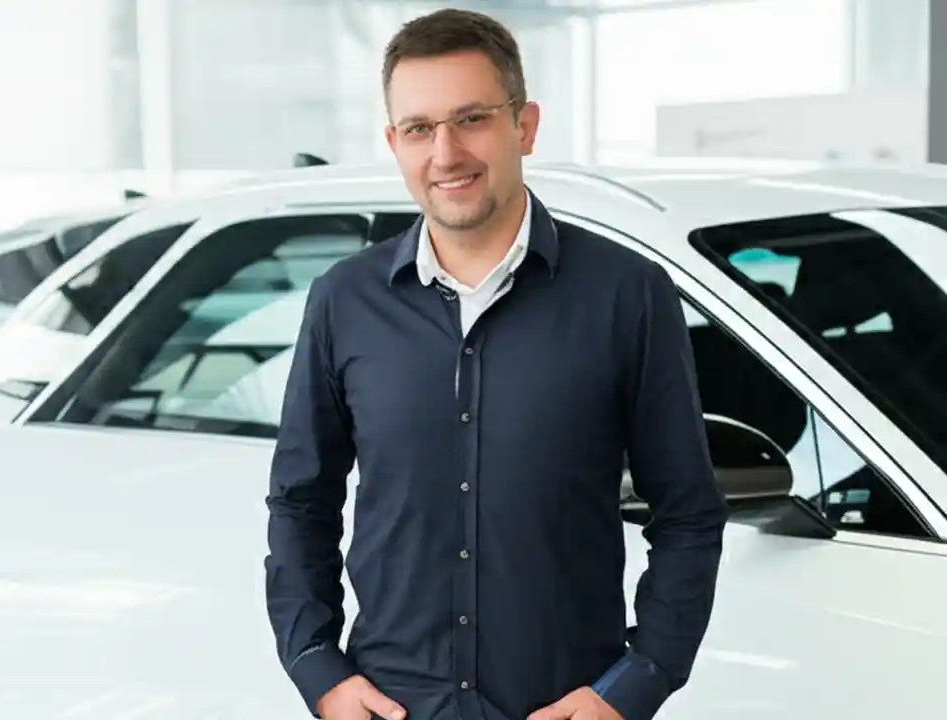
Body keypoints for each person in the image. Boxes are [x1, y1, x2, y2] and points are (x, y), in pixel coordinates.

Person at [264, 8, 728, 720]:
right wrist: (317, 668)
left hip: (569, 705)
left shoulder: (627, 294)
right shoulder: (343, 302)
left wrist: (639, 683)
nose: (445, 153)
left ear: (525, 125)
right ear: (394, 142)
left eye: (471, 119)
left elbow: (689, 513)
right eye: (419, 128)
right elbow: (302, 501)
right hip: (394, 706)